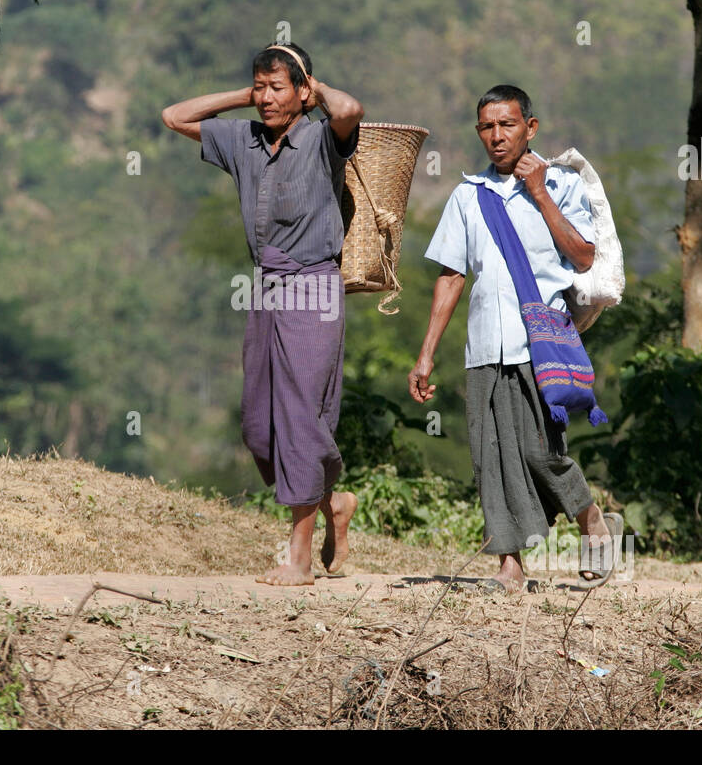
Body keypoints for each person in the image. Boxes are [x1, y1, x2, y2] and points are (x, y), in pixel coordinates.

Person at [161, 43, 364, 585]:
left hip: (314, 286)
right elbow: (174, 116)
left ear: (303, 91)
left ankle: (298, 556)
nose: (267, 98)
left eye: (278, 88)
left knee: (301, 414)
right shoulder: (243, 140)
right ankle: (332, 502)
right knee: (260, 425)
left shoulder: (323, 139)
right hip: (267, 289)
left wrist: (311, 91)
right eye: (260, 87)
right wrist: (246, 95)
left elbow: (348, 111)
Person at [408, 84, 618, 593]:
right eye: (487, 126)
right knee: (490, 456)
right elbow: (452, 277)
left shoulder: (563, 184)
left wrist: (541, 192)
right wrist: (426, 355)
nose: (497, 136)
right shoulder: (468, 196)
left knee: (538, 450)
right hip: (484, 345)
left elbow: (584, 255)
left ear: (531, 127)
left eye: (507, 124)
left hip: (540, 342)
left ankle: (589, 518)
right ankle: (509, 565)